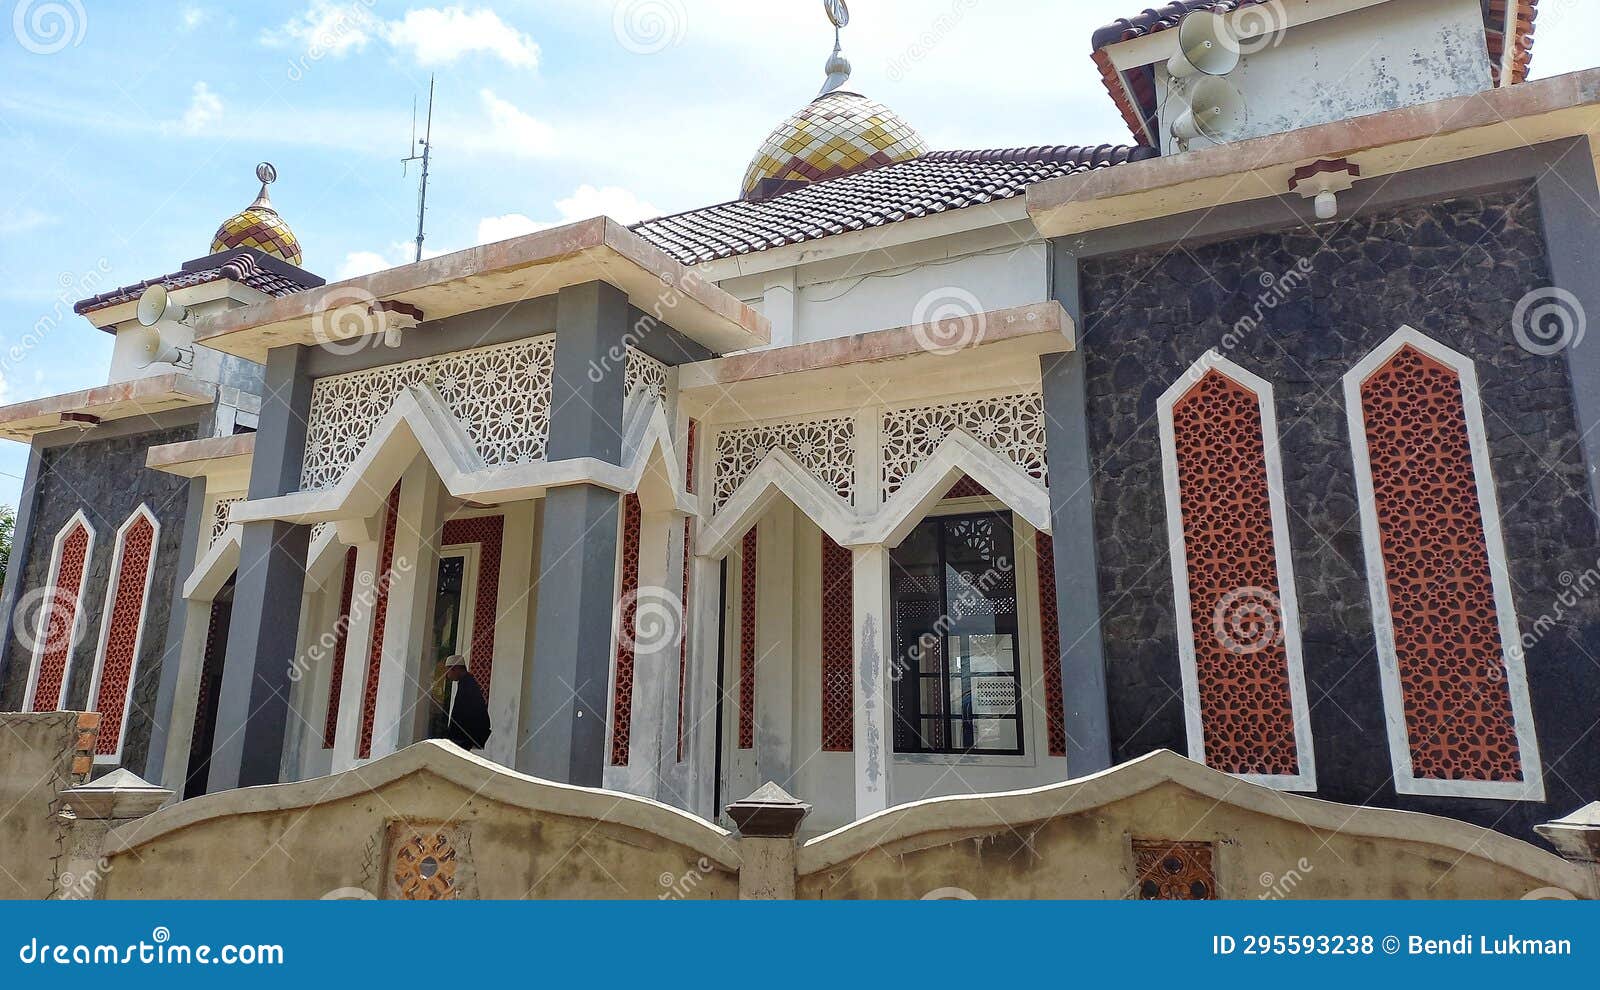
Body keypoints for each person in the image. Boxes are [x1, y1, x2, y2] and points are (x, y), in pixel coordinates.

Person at [438, 655, 491, 751]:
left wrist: (455, 736)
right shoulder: (465, 683)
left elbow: (463, 713)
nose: (448, 675)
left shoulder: (467, 685)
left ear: (456, 668)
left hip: (464, 737)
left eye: (448, 671)